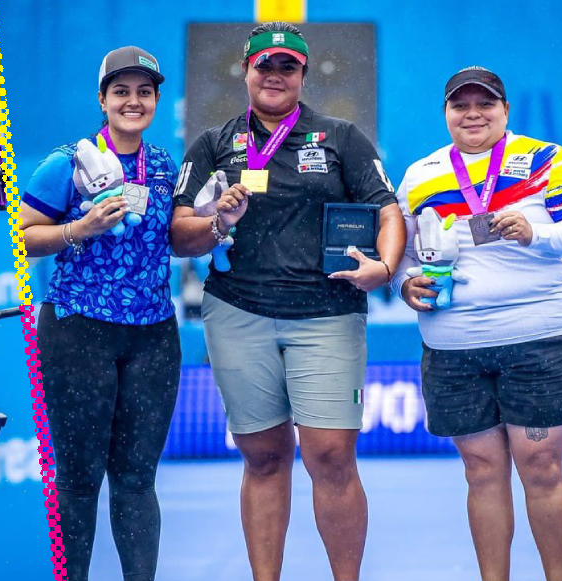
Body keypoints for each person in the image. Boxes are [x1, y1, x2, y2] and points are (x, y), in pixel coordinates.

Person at [170, 22, 405, 581]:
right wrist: (214, 223)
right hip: (237, 314)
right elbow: (179, 233)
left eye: (287, 67)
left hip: (327, 316)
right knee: (264, 457)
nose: (274, 76)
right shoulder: (212, 144)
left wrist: (386, 268)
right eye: (265, 66)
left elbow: (389, 210)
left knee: (329, 456)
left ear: (302, 74)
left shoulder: (342, 137)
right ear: (247, 71)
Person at [393, 66, 562, 581]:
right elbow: (402, 253)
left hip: (539, 338)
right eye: (461, 105)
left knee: (540, 469)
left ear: (505, 110)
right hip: (455, 347)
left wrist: (536, 233)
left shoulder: (546, 159)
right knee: (481, 473)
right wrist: (403, 285)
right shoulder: (420, 174)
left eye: (485, 104)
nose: (473, 113)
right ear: (447, 113)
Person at [18, 46, 180, 581]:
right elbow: (24, 235)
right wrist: (79, 229)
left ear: (156, 100)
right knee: (79, 479)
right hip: (77, 332)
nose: (133, 102)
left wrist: (220, 221)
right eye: (122, 92)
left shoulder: (163, 165)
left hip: (153, 336)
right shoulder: (65, 163)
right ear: (102, 100)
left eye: (144, 92)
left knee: (137, 480)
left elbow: (177, 240)